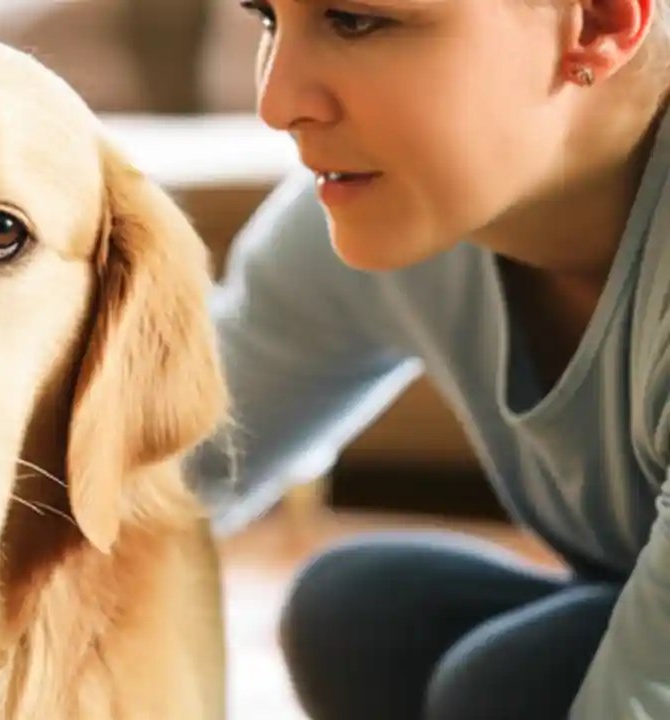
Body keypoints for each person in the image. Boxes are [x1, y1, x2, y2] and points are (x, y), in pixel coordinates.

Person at [189, 1, 670, 718]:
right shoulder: (390, 211)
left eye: (355, 21)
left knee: (505, 686)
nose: (276, 102)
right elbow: (151, 479)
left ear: (596, 21)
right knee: (364, 615)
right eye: (267, 18)